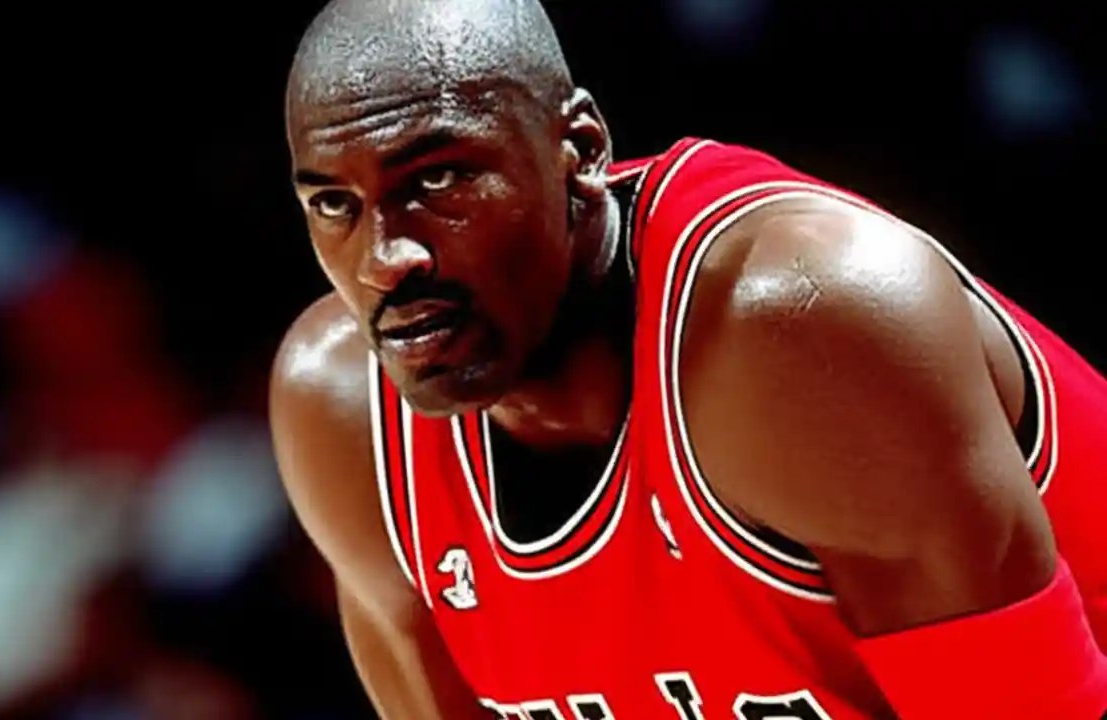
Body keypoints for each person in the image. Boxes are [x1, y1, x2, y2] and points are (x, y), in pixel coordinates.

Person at [269, 0, 1107, 716]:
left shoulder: (793, 325)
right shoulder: (345, 414)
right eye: (335, 202)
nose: (386, 258)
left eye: (440, 180)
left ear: (582, 149)